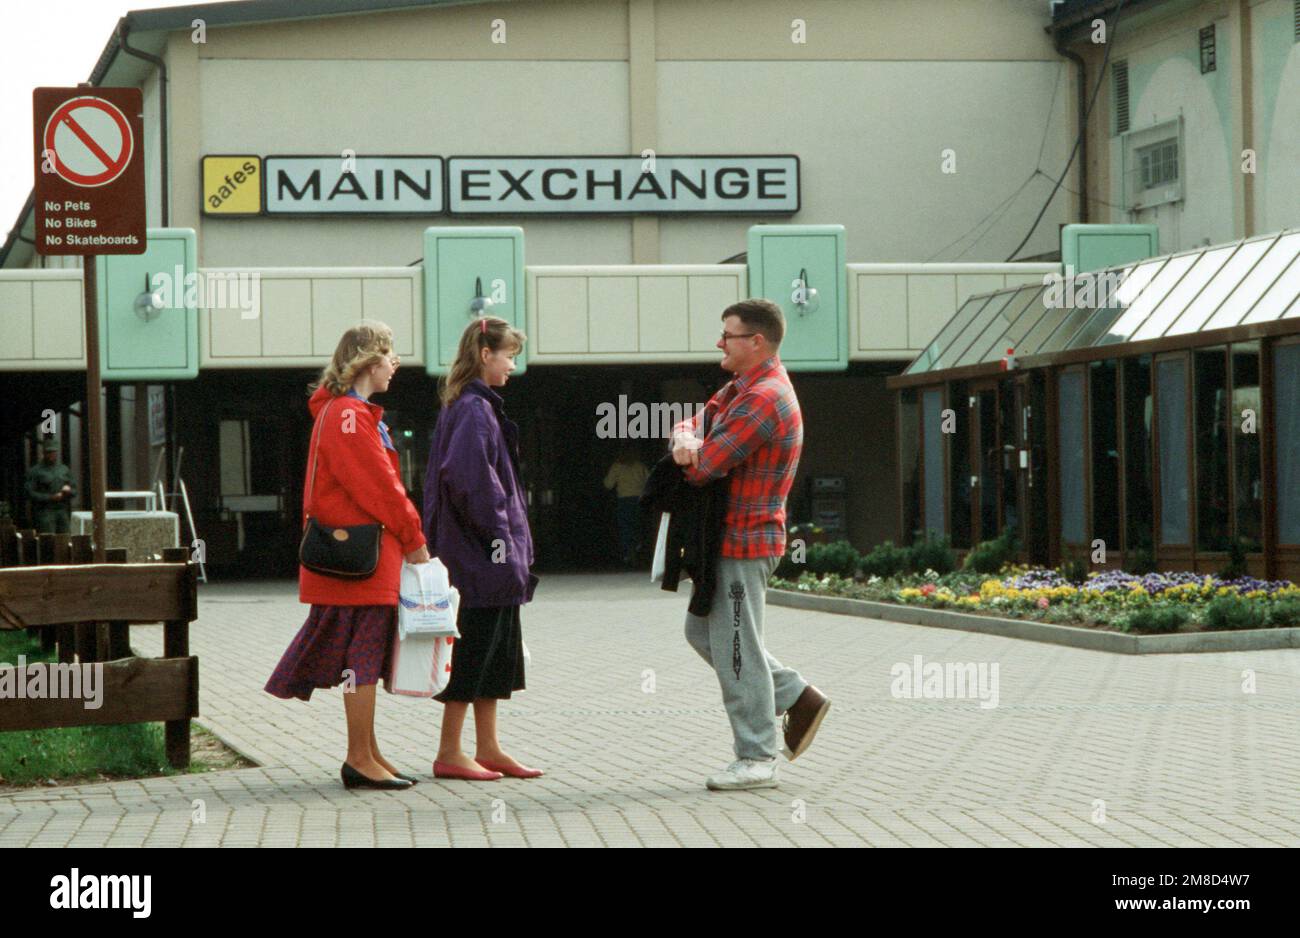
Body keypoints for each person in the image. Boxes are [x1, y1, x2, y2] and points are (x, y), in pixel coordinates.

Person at [671, 298, 831, 791]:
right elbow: (693, 423)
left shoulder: (763, 398)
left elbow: (703, 467)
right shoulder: (742, 388)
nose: (720, 342)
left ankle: (757, 757)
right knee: (704, 634)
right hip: (730, 541)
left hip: (744, 542)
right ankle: (796, 694)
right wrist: (683, 435)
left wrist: (685, 450)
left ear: (756, 342)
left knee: (737, 648)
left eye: (729, 334)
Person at [265, 321, 429, 791]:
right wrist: (415, 538)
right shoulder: (350, 416)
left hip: (357, 556)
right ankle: (359, 756)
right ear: (367, 361)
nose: (395, 364)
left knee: (366, 657)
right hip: (362, 559)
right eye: (389, 354)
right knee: (362, 657)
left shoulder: (342, 412)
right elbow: (380, 487)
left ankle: (369, 752)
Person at [422, 316, 541, 781]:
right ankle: (450, 752)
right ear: (486, 354)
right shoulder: (474, 408)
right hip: (481, 558)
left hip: (484, 557)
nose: (513, 364)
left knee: (494, 652)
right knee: (473, 653)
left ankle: (488, 747)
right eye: (509, 354)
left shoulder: (474, 405)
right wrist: (501, 540)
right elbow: (472, 482)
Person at [603, 445, 649, 565]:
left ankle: (628, 552)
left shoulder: (617, 467)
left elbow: (608, 484)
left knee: (625, 528)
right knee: (638, 525)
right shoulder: (640, 466)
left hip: (624, 500)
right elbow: (649, 481)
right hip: (639, 499)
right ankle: (638, 545)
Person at [25, 441, 75, 534]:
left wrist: (68, 491)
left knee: (65, 537)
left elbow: (74, 489)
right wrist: (50, 497)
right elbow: (29, 493)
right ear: (43, 453)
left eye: (53, 452)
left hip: (62, 510)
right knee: (48, 539)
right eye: (49, 452)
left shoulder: (63, 469)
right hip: (45, 511)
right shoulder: (35, 471)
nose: (51, 455)